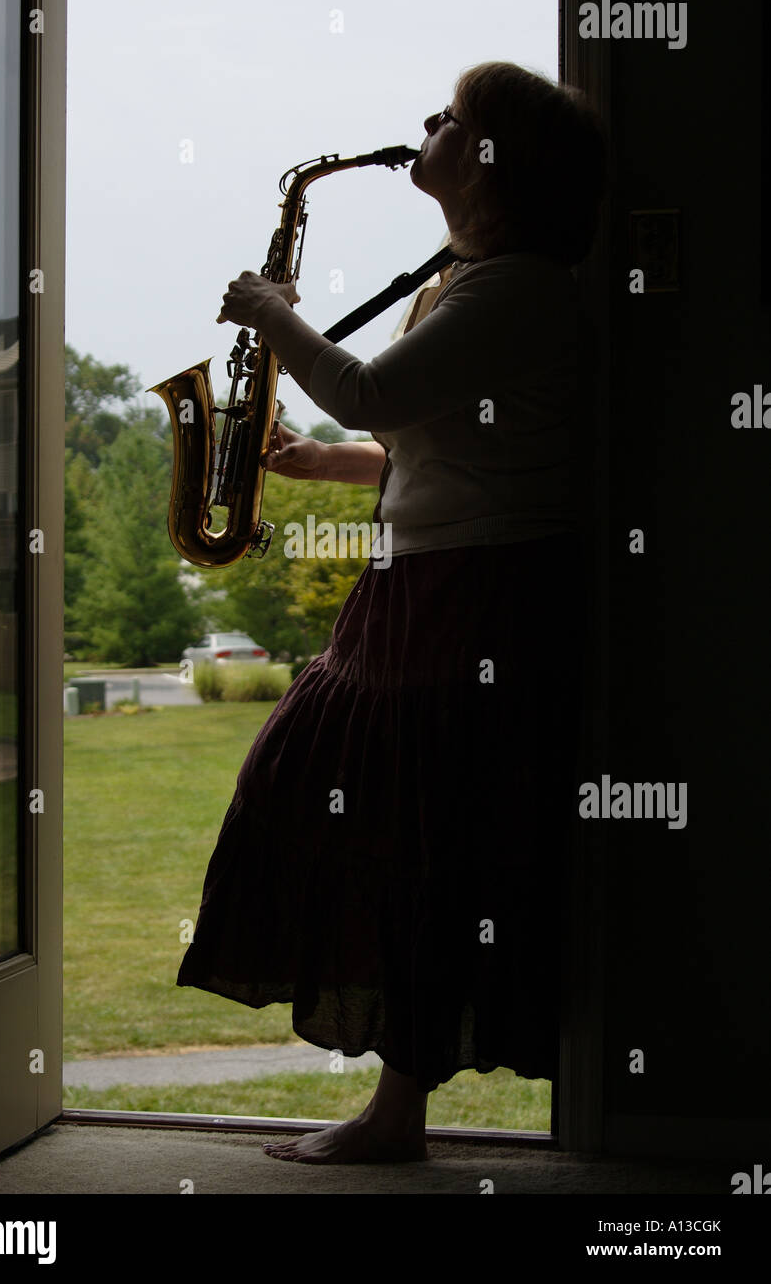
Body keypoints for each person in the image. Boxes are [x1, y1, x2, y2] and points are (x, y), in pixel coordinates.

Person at [176, 61, 608, 1164]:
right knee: (374, 825)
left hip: (474, 595)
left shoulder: (515, 287)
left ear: (497, 163)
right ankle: (392, 1110)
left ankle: (391, 1116)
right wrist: (306, 457)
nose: (429, 125)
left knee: (424, 846)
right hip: (418, 585)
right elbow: (413, 438)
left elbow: (371, 391)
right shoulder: (461, 280)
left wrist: (272, 316)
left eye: (455, 119)